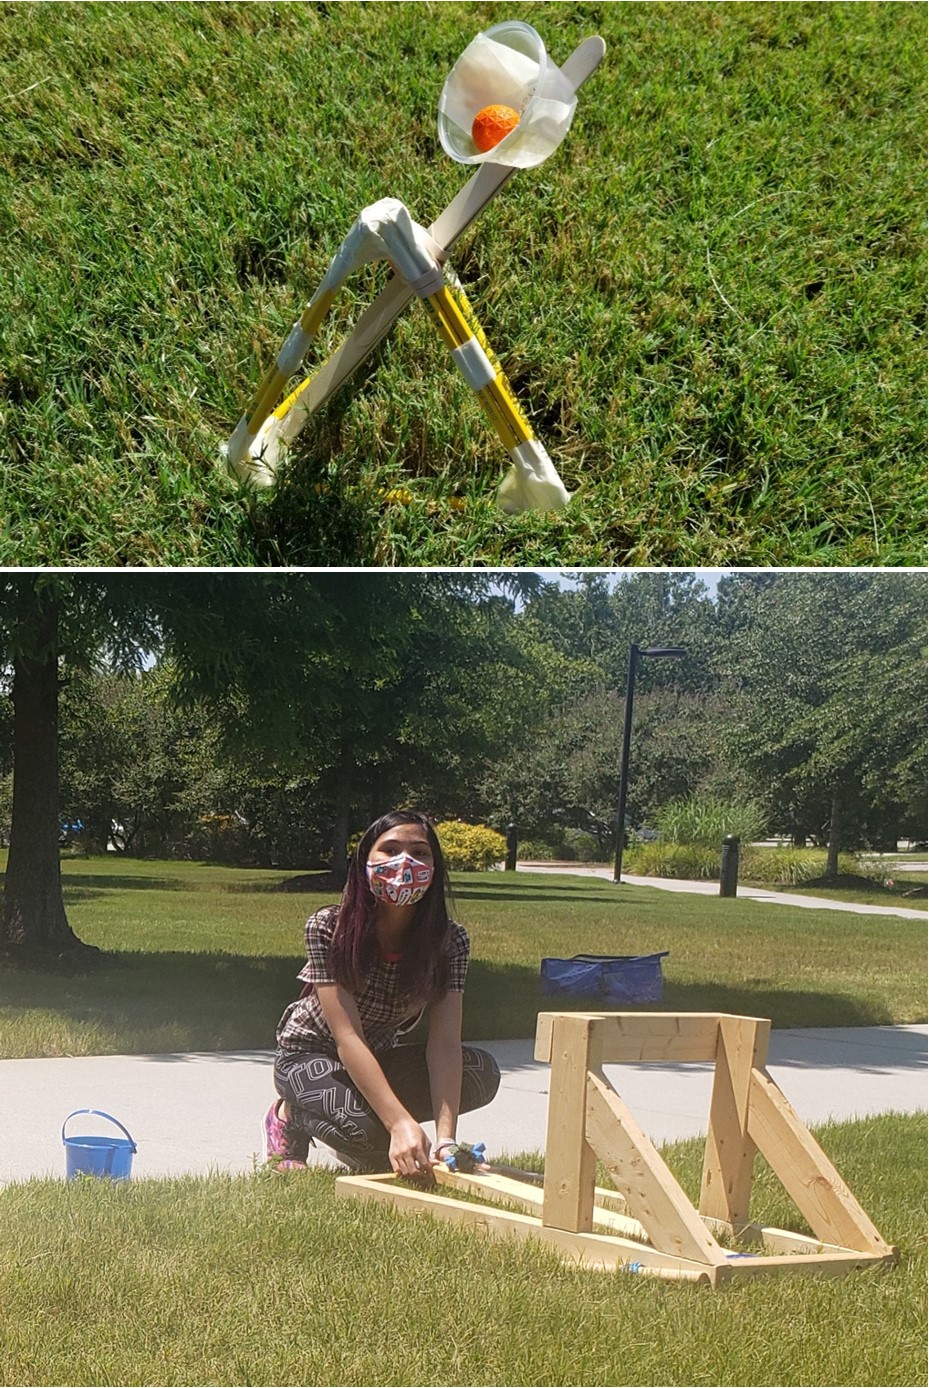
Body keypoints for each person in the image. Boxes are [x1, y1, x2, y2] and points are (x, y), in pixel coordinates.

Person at [263, 809, 501, 1176]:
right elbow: (347, 1037)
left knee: (481, 1071)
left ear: (435, 868)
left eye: (420, 852)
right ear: (364, 863)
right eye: (389, 850)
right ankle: (290, 1115)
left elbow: (444, 1044)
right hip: (308, 1055)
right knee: (377, 1140)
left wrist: (445, 1140)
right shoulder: (327, 927)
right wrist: (398, 1124)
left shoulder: (450, 942)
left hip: (378, 1054)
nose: (404, 862)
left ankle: (365, 1128)